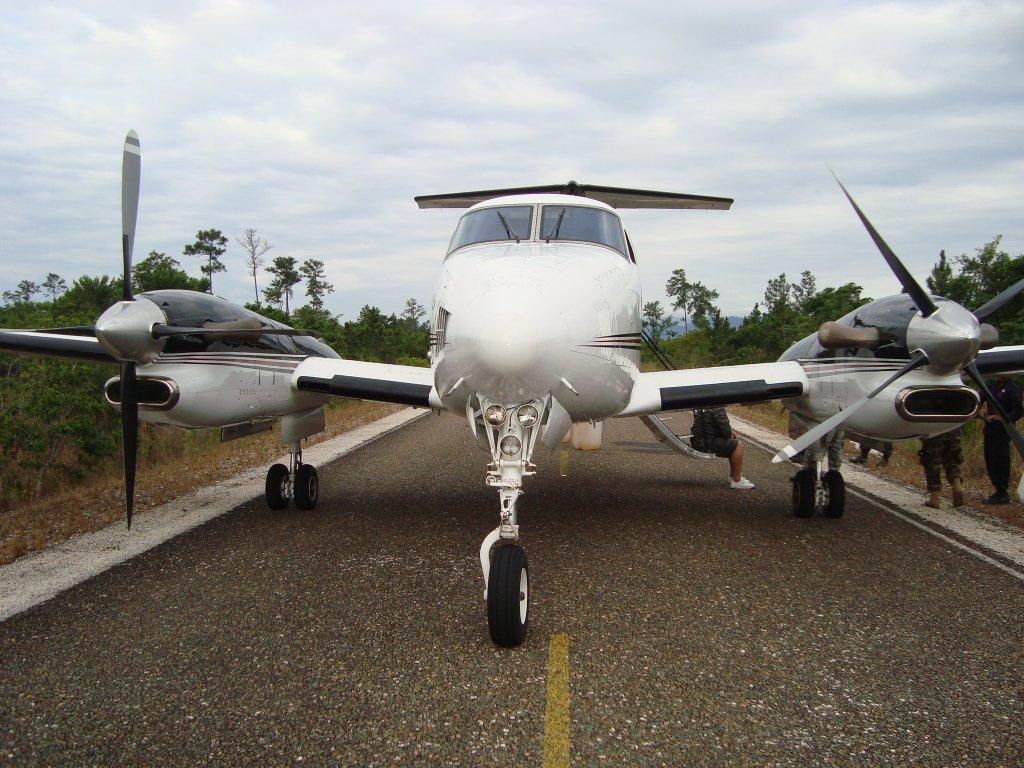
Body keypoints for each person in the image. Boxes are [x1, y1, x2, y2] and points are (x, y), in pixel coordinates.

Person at [981, 374, 1024, 505]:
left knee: (1000, 459)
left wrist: (1003, 418)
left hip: (1003, 431)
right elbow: (980, 398)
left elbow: (1018, 411)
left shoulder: (1013, 390)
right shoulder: (990, 385)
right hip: (989, 429)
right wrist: (980, 413)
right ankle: (998, 490)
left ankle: (1002, 492)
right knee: (990, 459)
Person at [690, 407, 754, 489]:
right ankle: (737, 481)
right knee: (738, 445)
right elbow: (724, 428)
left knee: (732, 443)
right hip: (706, 443)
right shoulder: (717, 406)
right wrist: (731, 434)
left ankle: (733, 476)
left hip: (698, 441)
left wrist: (729, 432)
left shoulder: (703, 402)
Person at [918, 428, 964, 509]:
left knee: (932, 462)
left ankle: (934, 499)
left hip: (935, 428)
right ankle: (957, 485)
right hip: (955, 429)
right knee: (952, 460)